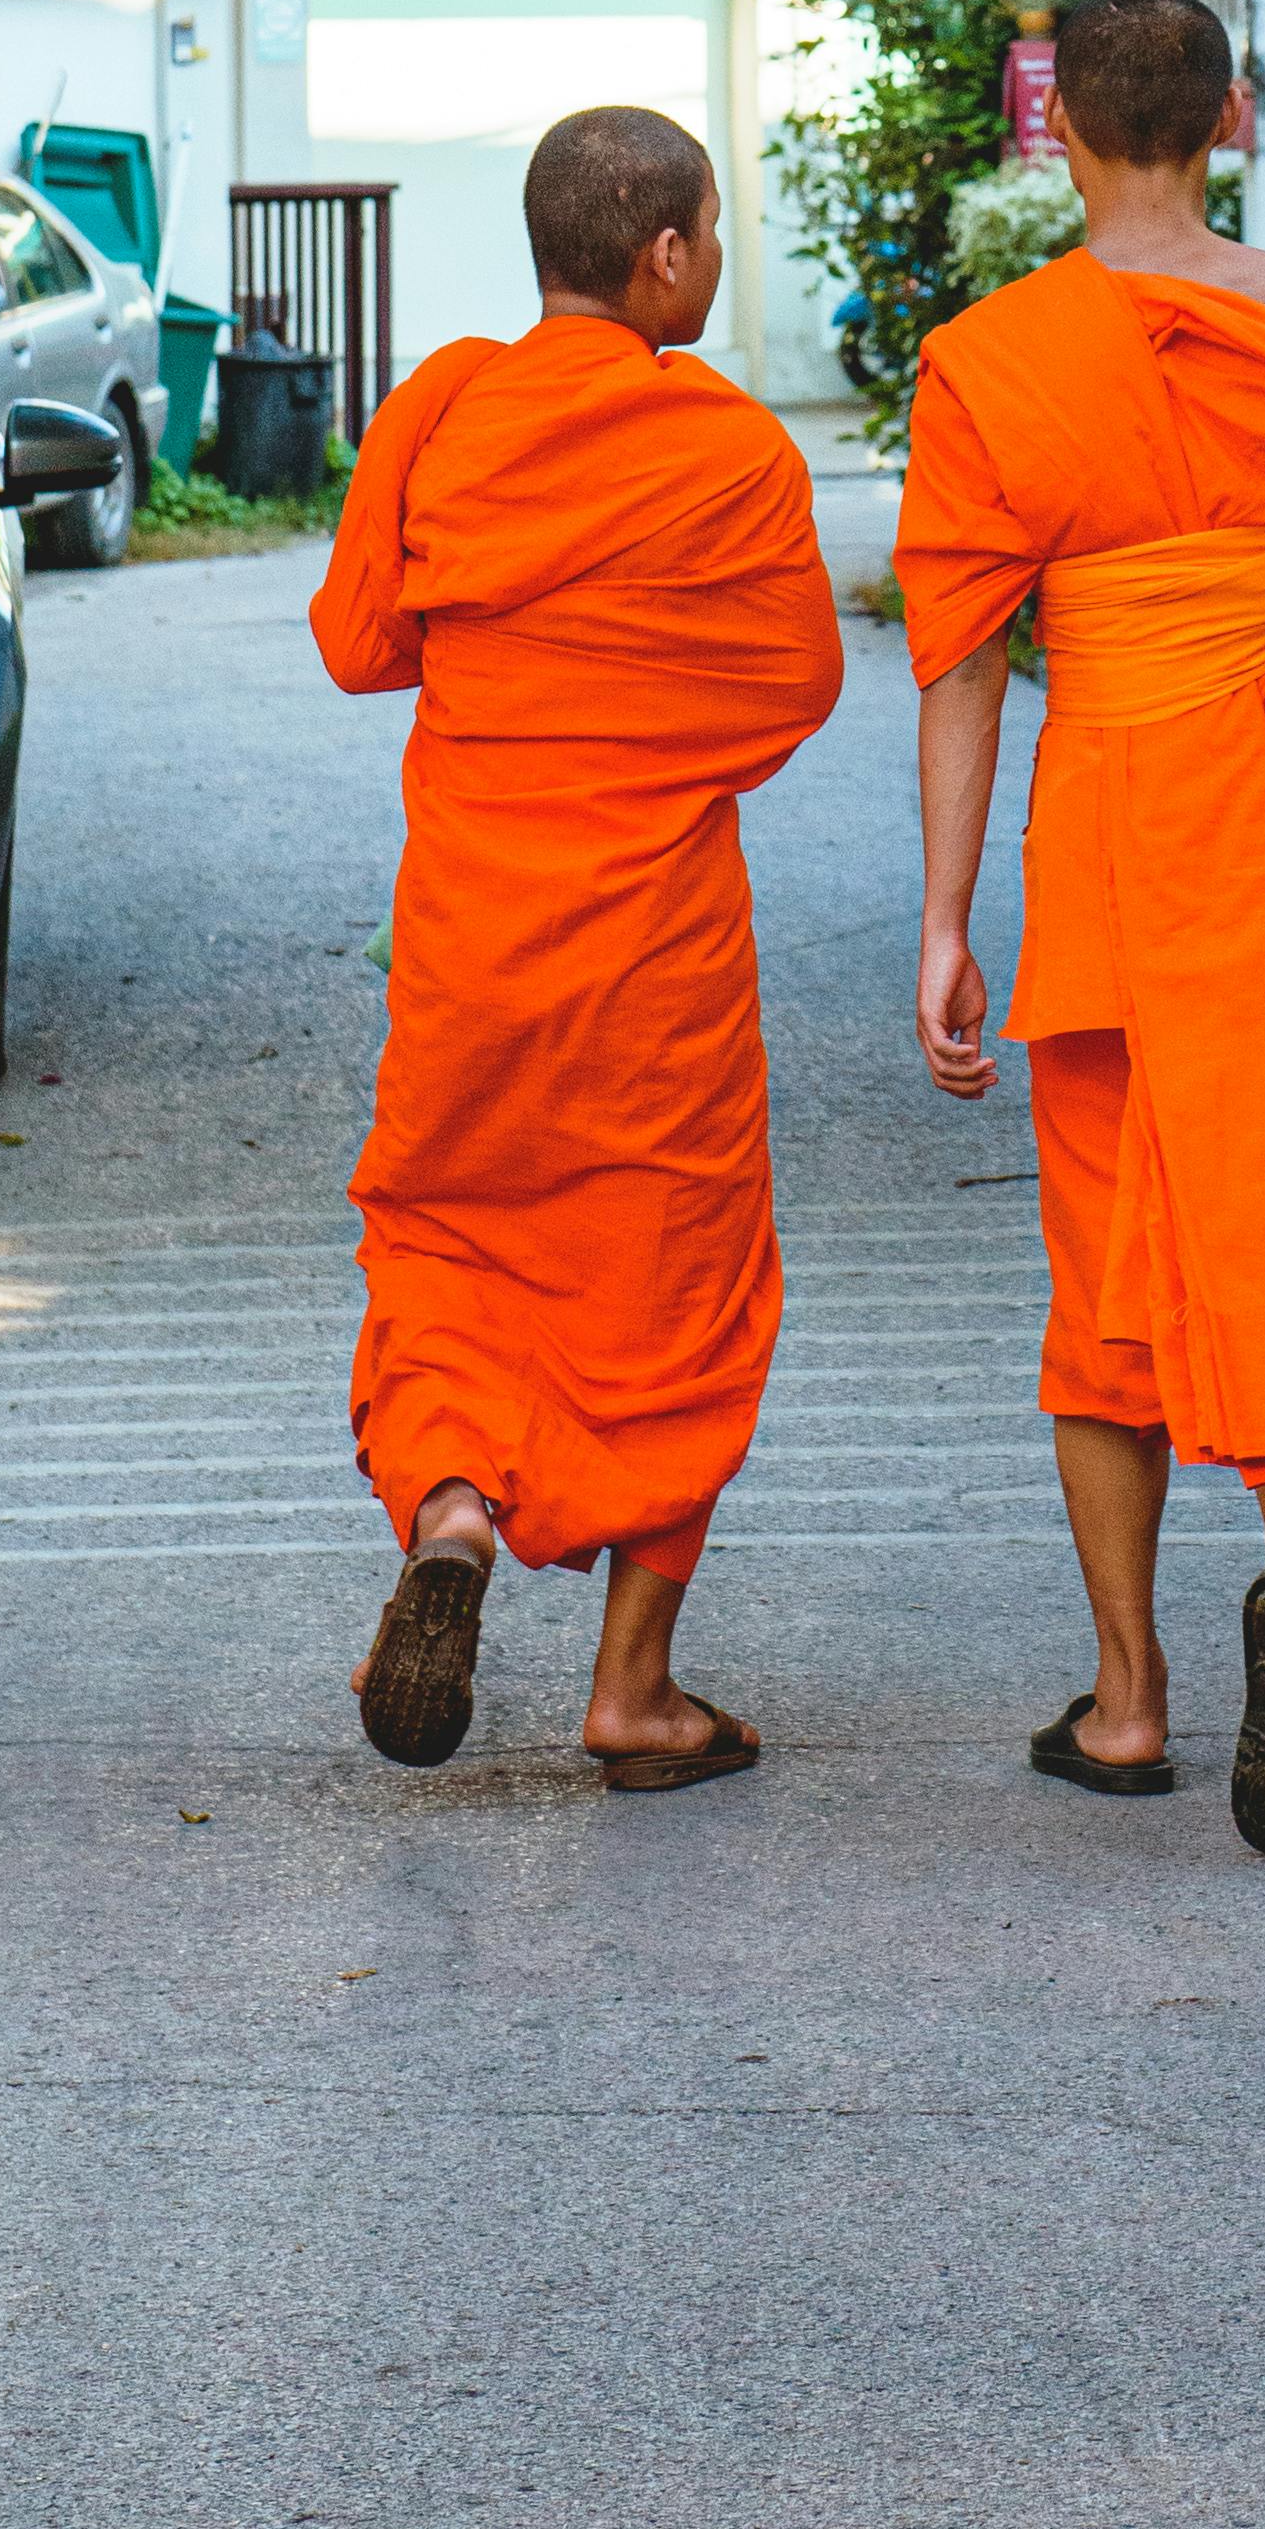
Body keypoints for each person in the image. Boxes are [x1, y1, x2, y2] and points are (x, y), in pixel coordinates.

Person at [896, 0, 1265, 1859]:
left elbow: (965, 660)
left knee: (1105, 1249)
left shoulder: (992, 355)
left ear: (1058, 128)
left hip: (1116, 811)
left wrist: (943, 921)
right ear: (1231, 120)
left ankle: (1130, 1697)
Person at [315, 103, 842, 1789]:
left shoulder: (445, 407)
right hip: (652, 952)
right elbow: (793, 689)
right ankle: (633, 1684)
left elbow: (358, 637)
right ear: (668, 254)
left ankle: (455, 1509)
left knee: (455, 1237)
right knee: (668, 1286)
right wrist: (647, 726)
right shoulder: (732, 448)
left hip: (472, 931)